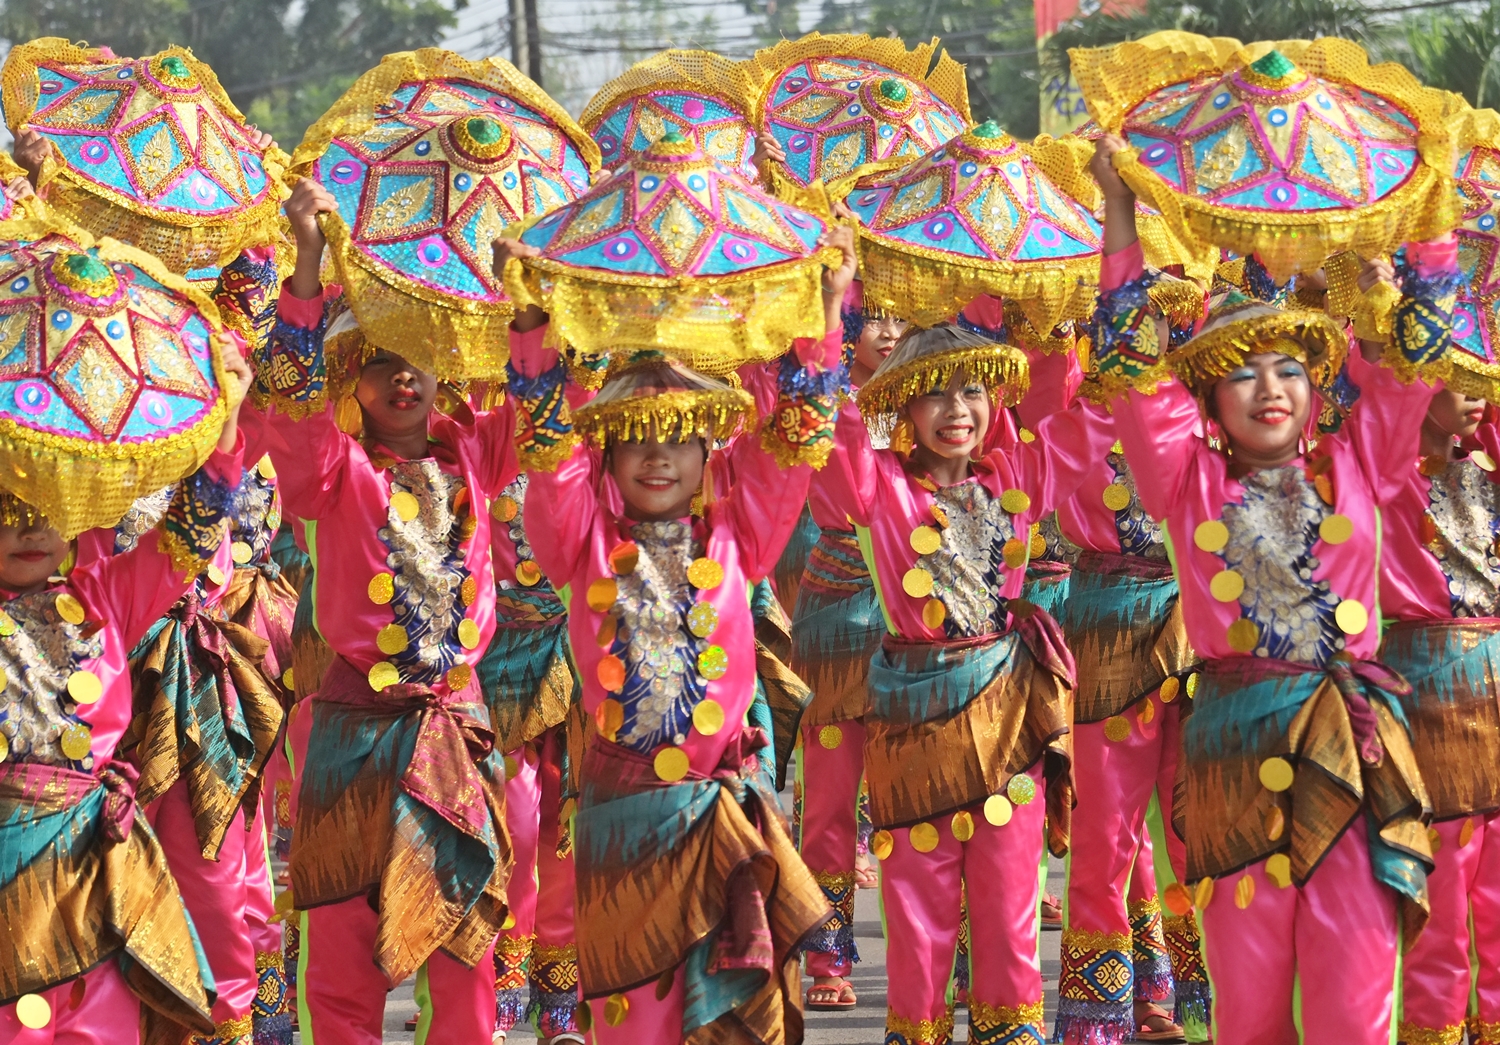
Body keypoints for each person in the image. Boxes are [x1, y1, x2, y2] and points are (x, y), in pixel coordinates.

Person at [1089, 133, 1445, 1045]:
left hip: (1352, 745)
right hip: (1233, 752)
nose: (1269, 387)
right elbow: (1132, 371)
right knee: (1248, 1008)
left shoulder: (1366, 457)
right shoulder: (1185, 480)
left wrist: (1423, 225)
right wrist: (1119, 209)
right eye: (1241, 372)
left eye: (1290, 367)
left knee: (1355, 997)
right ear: (1207, 405)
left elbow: (1413, 360)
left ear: (1318, 387)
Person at [492, 219, 850, 1044]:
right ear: (607, 460)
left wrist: (821, 315)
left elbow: (791, 444)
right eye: (636, 443)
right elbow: (547, 463)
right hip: (624, 820)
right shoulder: (581, 544)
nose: (659, 461)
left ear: (707, 453)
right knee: (635, 1022)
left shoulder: (738, 534)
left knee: (731, 1022)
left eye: (679, 442)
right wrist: (530, 325)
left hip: (723, 815)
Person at [255, 177, 517, 1045]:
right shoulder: (334, 471)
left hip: (454, 724)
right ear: (351, 379)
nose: (403, 376)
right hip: (350, 728)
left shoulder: (478, 448)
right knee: (337, 951)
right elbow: (290, 415)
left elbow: (547, 409)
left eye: (418, 357)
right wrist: (306, 267)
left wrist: (519, 294)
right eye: (378, 360)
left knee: (465, 951)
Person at [820, 306, 1115, 1043]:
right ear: (904, 409)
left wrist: (1084, 311)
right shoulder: (878, 487)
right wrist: (825, 319)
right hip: (913, 723)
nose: (958, 410)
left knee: (1012, 909)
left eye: (974, 390)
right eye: (936, 394)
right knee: (917, 925)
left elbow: (1097, 415)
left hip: (1008, 713)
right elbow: (834, 428)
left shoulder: (1017, 473)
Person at [0, 336, 251, 1044]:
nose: (30, 527)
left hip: (96, 872)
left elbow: (191, 531)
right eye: (4, 504)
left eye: (45, 504)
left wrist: (228, 424)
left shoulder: (105, 594)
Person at [792, 278, 907, 1011]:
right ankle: (828, 957)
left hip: (911, 612)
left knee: (914, 797)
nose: (889, 332)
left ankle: (937, 959)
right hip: (835, 611)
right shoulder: (829, 402)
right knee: (830, 799)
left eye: (901, 318)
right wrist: (826, 297)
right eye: (876, 320)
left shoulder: (935, 401)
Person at [1376, 384, 1500, 1045]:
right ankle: (1435, 1030)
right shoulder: (1385, 473)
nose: (1477, 395)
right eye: (1456, 376)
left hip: (1497, 681)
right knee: (1443, 886)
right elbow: (1379, 395)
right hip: (1424, 688)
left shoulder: (1488, 467)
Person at [479, 473, 584, 1045]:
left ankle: (560, 1002)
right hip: (495, 658)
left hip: (579, 652)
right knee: (510, 829)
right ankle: (501, 983)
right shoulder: (479, 447)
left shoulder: (590, 443)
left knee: (566, 834)